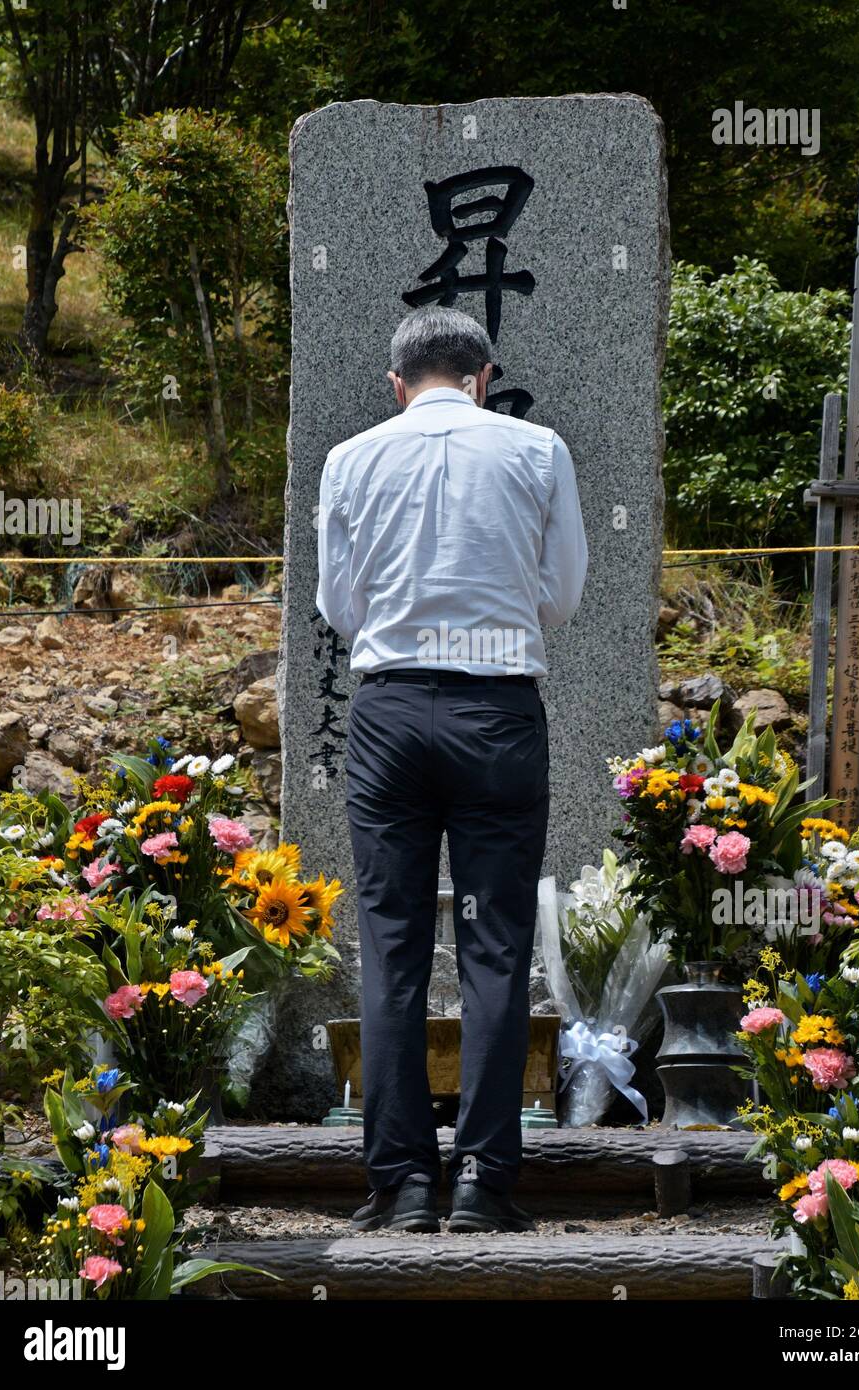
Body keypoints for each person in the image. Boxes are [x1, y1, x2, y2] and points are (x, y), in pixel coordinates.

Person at [316, 304, 587, 1233]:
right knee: (495, 947)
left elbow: (339, 604)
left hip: (389, 709)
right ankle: (483, 1180)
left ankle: (400, 1182)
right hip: (497, 708)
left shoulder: (351, 457)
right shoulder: (538, 449)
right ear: (483, 374)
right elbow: (558, 596)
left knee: (389, 944)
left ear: (397, 384)